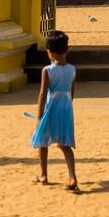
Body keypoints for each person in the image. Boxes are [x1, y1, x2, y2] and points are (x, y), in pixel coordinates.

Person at [31, 30, 79, 193]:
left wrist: (38, 117)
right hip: (66, 106)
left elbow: (43, 94)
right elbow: (72, 91)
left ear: (49, 52)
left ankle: (44, 174)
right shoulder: (72, 69)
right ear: (67, 49)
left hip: (51, 106)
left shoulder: (47, 70)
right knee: (64, 143)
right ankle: (72, 175)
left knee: (42, 140)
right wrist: (67, 105)